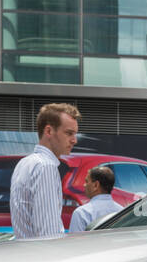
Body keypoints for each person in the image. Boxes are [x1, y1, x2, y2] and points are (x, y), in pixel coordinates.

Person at [10, 102, 80, 239]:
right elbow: (49, 234)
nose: (74, 140)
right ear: (48, 131)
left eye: (75, 134)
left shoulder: (24, 163)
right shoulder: (46, 167)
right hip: (42, 256)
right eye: (69, 133)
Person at [67, 164, 119, 232]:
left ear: (96, 185)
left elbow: (74, 241)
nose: (84, 185)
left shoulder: (81, 213)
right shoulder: (123, 212)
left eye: (86, 181)